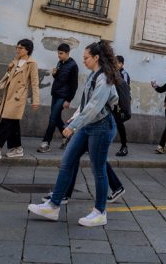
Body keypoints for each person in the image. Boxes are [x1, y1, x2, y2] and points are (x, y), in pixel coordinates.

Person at [27, 40, 119, 228]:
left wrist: (74, 126)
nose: (83, 60)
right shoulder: (94, 74)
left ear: (96, 58)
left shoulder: (104, 78)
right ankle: (53, 206)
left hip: (102, 126)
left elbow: (94, 107)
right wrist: (76, 117)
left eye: (86, 57)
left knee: (98, 169)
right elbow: (87, 103)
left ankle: (100, 212)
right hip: (88, 124)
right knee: (67, 161)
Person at [0, 39, 39, 162]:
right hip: (7, 95)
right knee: (13, 123)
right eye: (17, 47)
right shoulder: (15, 60)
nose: (18, 50)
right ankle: (17, 148)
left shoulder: (32, 63)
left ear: (27, 50)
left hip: (18, 97)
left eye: (21, 48)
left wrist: (36, 100)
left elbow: (35, 83)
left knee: (6, 123)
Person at [38, 43, 78, 153]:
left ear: (67, 53)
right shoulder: (60, 62)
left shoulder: (73, 66)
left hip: (63, 96)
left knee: (52, 118)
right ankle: (67, 136)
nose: (58, 55)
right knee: (56, 118)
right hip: (55, 94)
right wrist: (55, 74)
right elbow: (59, 78)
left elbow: (74, 85)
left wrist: (68, 100)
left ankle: (46, 142)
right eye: (58, 53)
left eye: (61, 53)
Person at [114, 55, 130, 156]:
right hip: (113, 103)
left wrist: (122, 107)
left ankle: (124, 147)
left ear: (121, 64)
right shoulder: (113, 73)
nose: (115, 64)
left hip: (120, 105)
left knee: (119, 124)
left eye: (117, 63)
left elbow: (125, 91)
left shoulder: (124, 74)